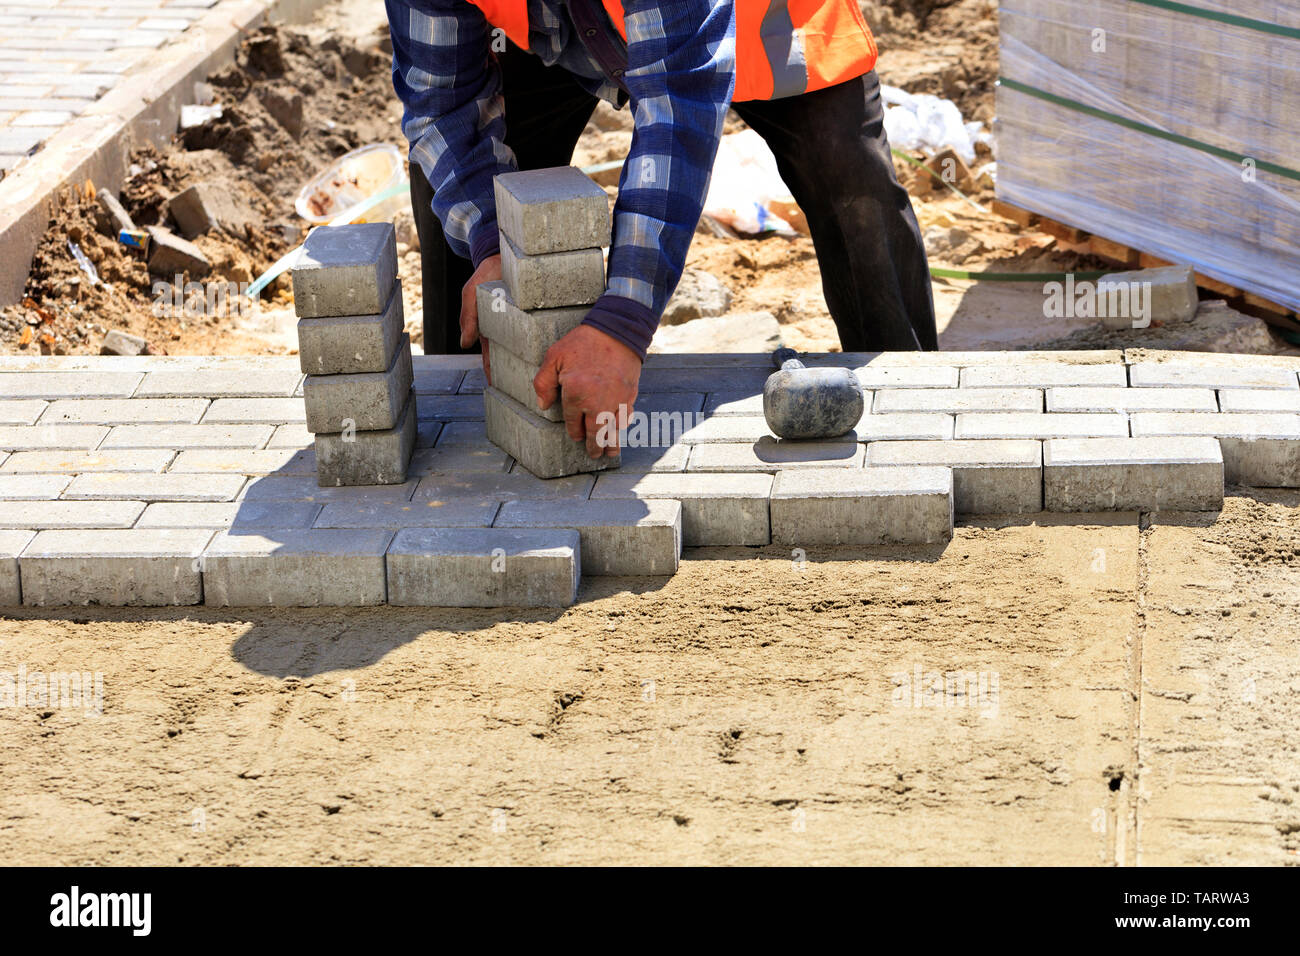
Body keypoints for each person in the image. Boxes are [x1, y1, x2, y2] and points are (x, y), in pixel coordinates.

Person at [387, 0, 936, 457]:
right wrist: (490, 241)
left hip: (761, 17)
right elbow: (441, 99)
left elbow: (676, 105)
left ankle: (924, 409)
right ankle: (465, 420)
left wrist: (622, 323)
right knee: (474, 212)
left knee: (853, 188)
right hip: (549, 30)